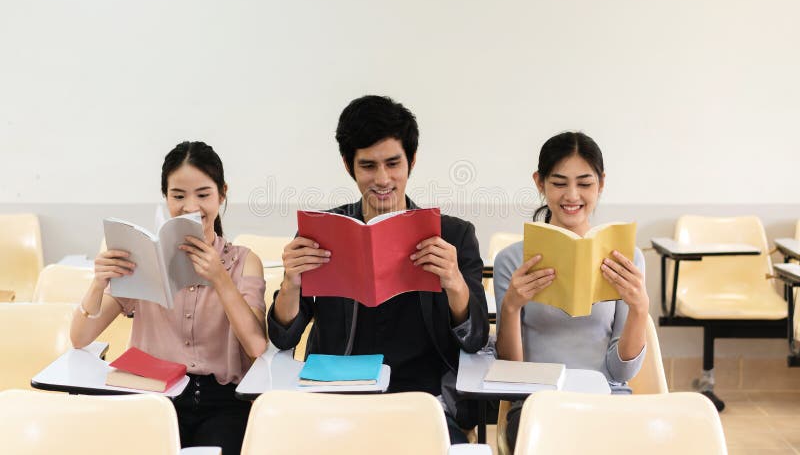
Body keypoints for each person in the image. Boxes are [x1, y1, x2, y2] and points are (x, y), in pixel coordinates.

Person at [268, 95, 489, 443]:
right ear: (348, 166)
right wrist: (291, 283)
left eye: (393, 163)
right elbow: (283, 336)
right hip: (338, 397)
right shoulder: (323, 233)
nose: (383, 179)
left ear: (411, 161)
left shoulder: (454, 235)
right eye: (368, 166)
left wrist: (454, 283)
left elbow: (475, 339)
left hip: (425, 401)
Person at [70, 141, 267, 454]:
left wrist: (220, 278)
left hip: (223, 404)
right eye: (178, 195)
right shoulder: (145, 257)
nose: (191, 206)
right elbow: (80, 338)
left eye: (203, 194)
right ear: (165, 196)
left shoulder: (244, 261)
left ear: (222, 193)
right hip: (151, 398)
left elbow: (257, 347)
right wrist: (97, 283)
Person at [493, 131, 648, 451]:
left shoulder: (627, 258)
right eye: (559, 183)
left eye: (585, 183)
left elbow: (622, 373)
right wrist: (510, 307)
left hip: (606, 398)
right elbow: (511, 379)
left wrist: (639, 310)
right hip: (536, 403)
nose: (572, 195)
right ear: (540, 182)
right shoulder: (511, 261)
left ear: (601, 183)